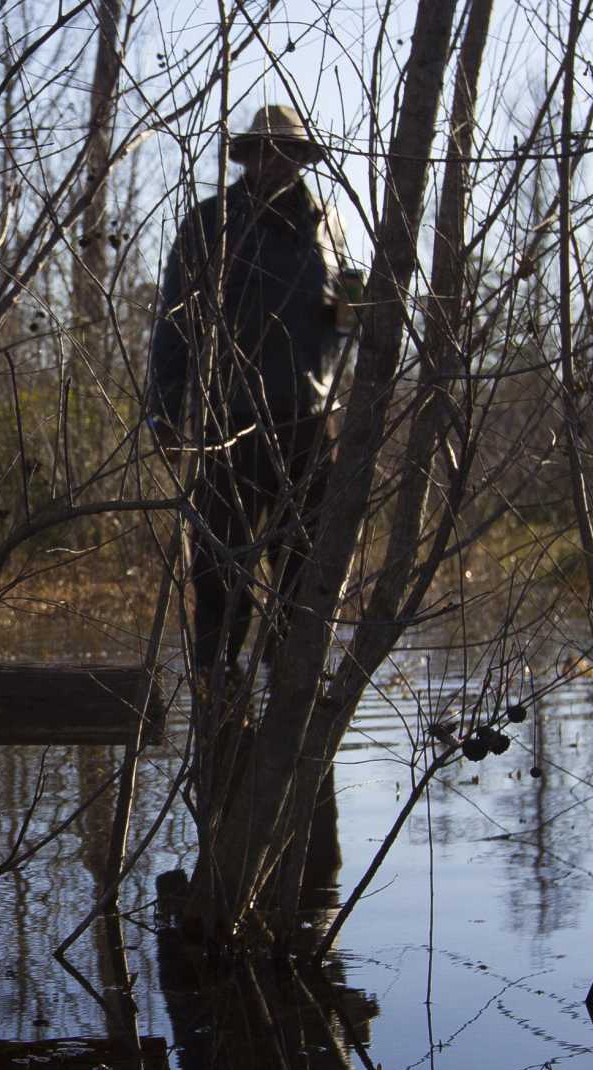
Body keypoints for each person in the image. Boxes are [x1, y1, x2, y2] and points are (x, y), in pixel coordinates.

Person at [145, 104, 352, 682]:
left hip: (310, 423)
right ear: (247, 156)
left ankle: (289, 684)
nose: (275, 161)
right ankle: (218, 690)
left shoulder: (330, 224)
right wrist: (163, 416)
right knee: (217, 568)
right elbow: (174, 324)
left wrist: (357, 311)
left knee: (305, 569)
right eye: (263, 150)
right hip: (226, 421)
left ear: (302, 159)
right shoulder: (210, 222)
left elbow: (351, 317)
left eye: (287, 151)